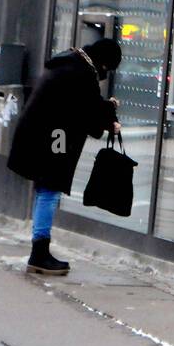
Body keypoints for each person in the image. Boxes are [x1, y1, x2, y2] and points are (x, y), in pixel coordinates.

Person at [7, 38, 121, 274]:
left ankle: (39, 250)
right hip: (53, 141)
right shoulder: (82, 72)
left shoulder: (69, 63)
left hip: (42, 137)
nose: (104, 74)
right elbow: (87, 109)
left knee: (45, 191)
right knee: (49, 191)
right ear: (104, 62)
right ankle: (39, 253)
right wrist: (109, 114)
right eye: (107, 69)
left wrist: (105, 112)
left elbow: (80, 105)